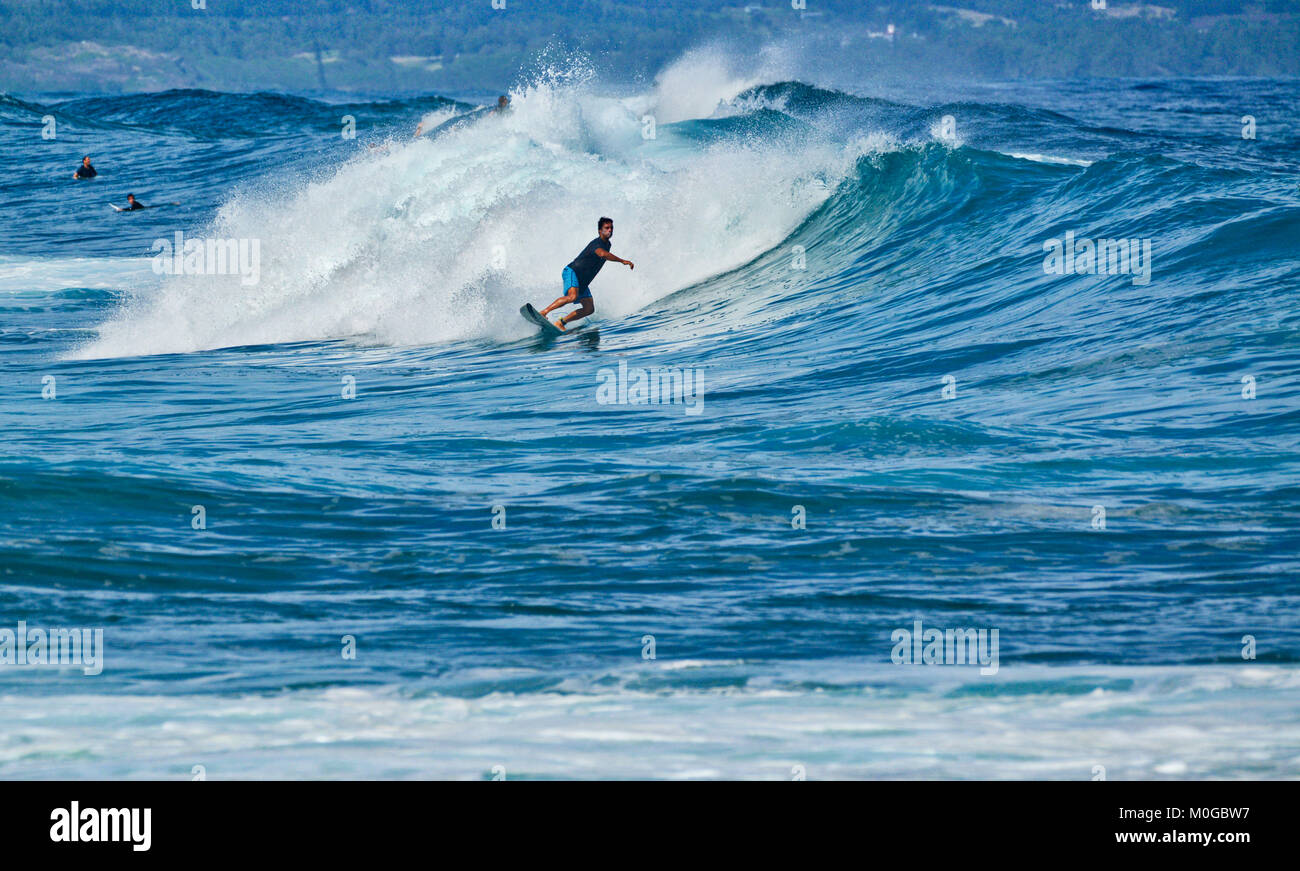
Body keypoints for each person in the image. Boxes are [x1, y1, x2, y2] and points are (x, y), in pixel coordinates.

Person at [539, 217, 634, 331]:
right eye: (607, 228)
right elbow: (602, 254)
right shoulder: (597, 243)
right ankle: (544, 312)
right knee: (572, 296)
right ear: (599, 230)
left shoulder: (608, 244)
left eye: (611, 228)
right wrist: (622, 260)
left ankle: (561, 322)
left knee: (589, 308)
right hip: (573, 271)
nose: (610, 230)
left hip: (583, 280)